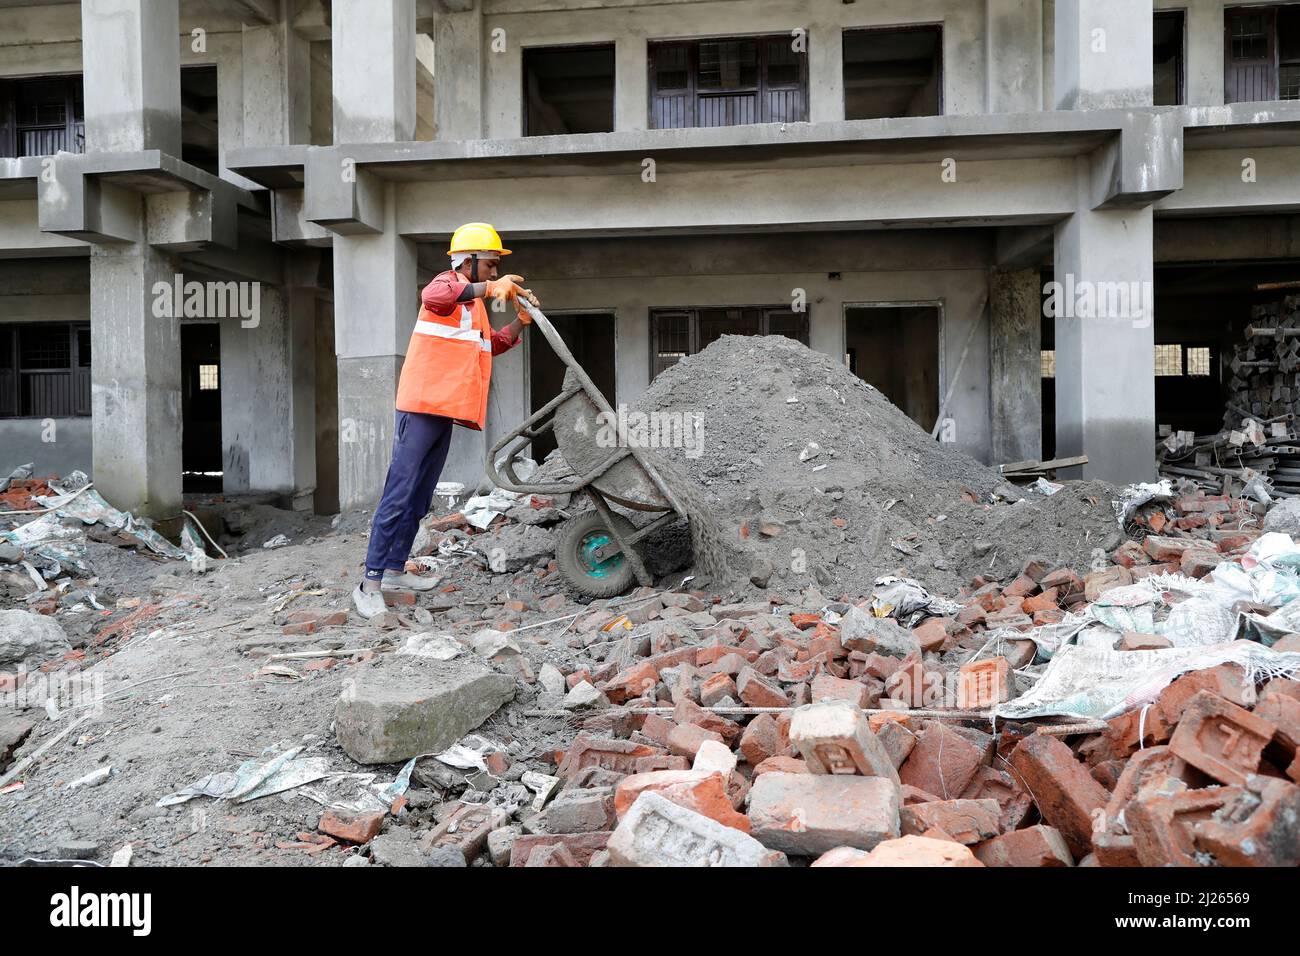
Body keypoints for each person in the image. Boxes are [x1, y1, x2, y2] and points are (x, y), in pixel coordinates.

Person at [353, 222, 538, 618]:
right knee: (399, 493)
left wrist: (520, 322)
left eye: (493, 268)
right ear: (467, 262)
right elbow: (433, 294)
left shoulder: (473, 308)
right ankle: (369, 583)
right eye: (489, 265)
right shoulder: (446, 287)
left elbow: (490, 347)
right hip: (421, 407)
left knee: (419, 495)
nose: (492, 272)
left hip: (443, 412)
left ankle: (393, 571)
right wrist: (490, 287)